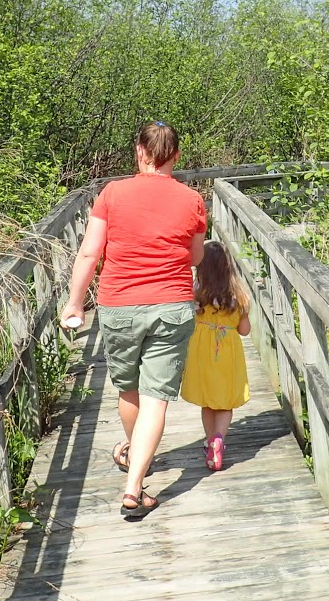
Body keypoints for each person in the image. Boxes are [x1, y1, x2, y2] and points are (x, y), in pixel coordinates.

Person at [61, 122, 205, 518]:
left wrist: (75, 303)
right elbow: (194, 258)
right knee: (156, 398)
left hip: (118, 306)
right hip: (170, 306)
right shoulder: (192, 199)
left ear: (139, 152)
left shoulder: (111, 194)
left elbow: (90, 254)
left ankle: (133, 455)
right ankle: (134, 486)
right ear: (175, 156)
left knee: (129, 390)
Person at [180, 240, 251, 471]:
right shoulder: (239, 296)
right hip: (227, 353)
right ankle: (219, 438)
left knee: (207, 401)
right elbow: (245, 330)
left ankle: (209, 440)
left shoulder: (197, 292)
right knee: (225, 400)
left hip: (202, 350)